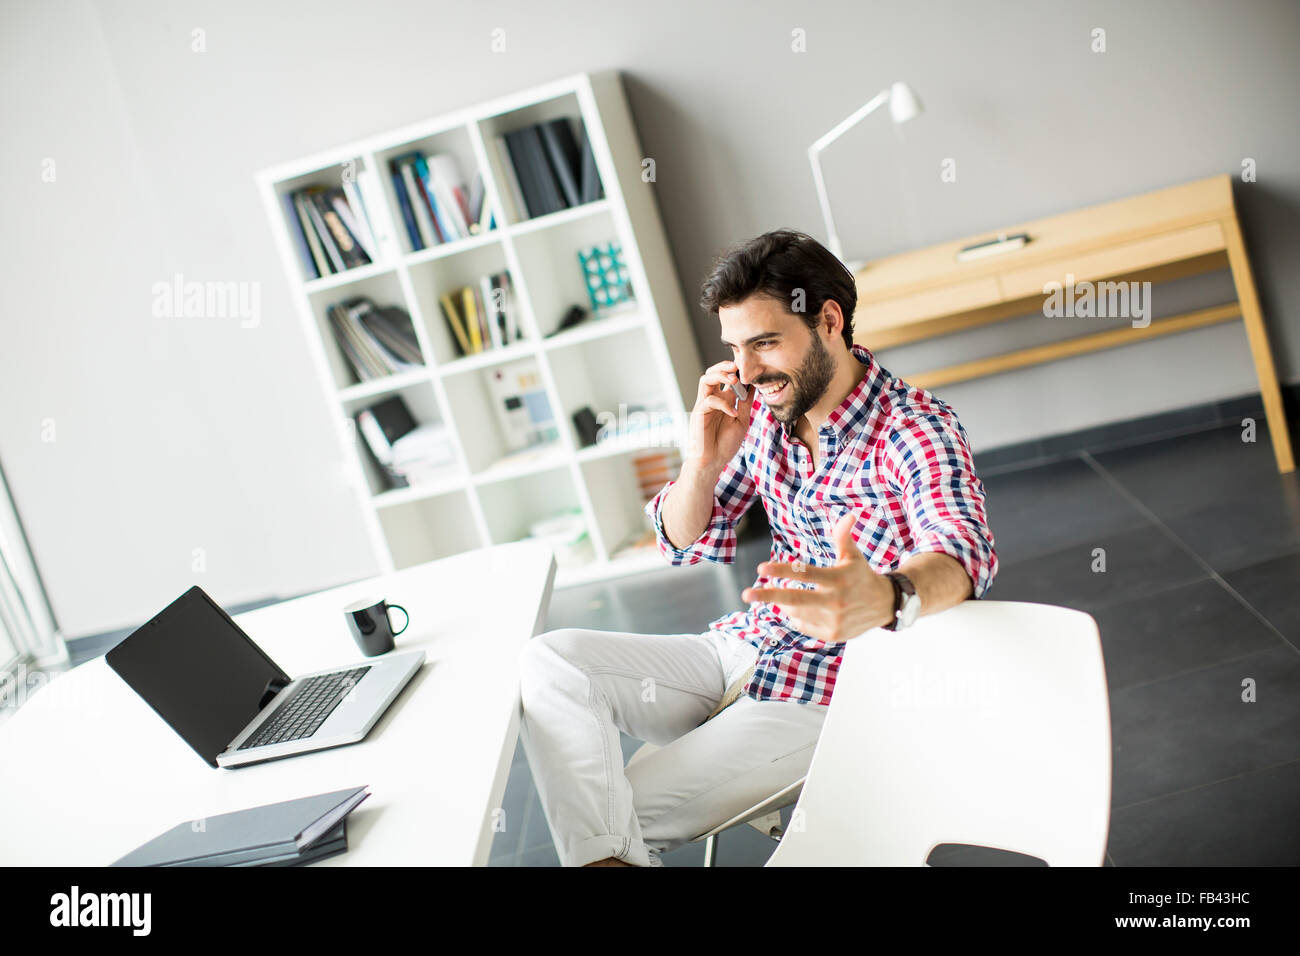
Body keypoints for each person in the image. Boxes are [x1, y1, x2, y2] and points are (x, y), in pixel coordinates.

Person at [518, 229, 998, 867]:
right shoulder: (769, 419)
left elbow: (963, 553)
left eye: (766, 342)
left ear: (829, 321)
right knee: (551, 661)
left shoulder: (913, 429)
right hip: (746, 648)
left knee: (603, 820)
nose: (746, 373)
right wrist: (701, 461)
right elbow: (686, 544)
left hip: (834, 690)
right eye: (735, 349)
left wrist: (886, 593)